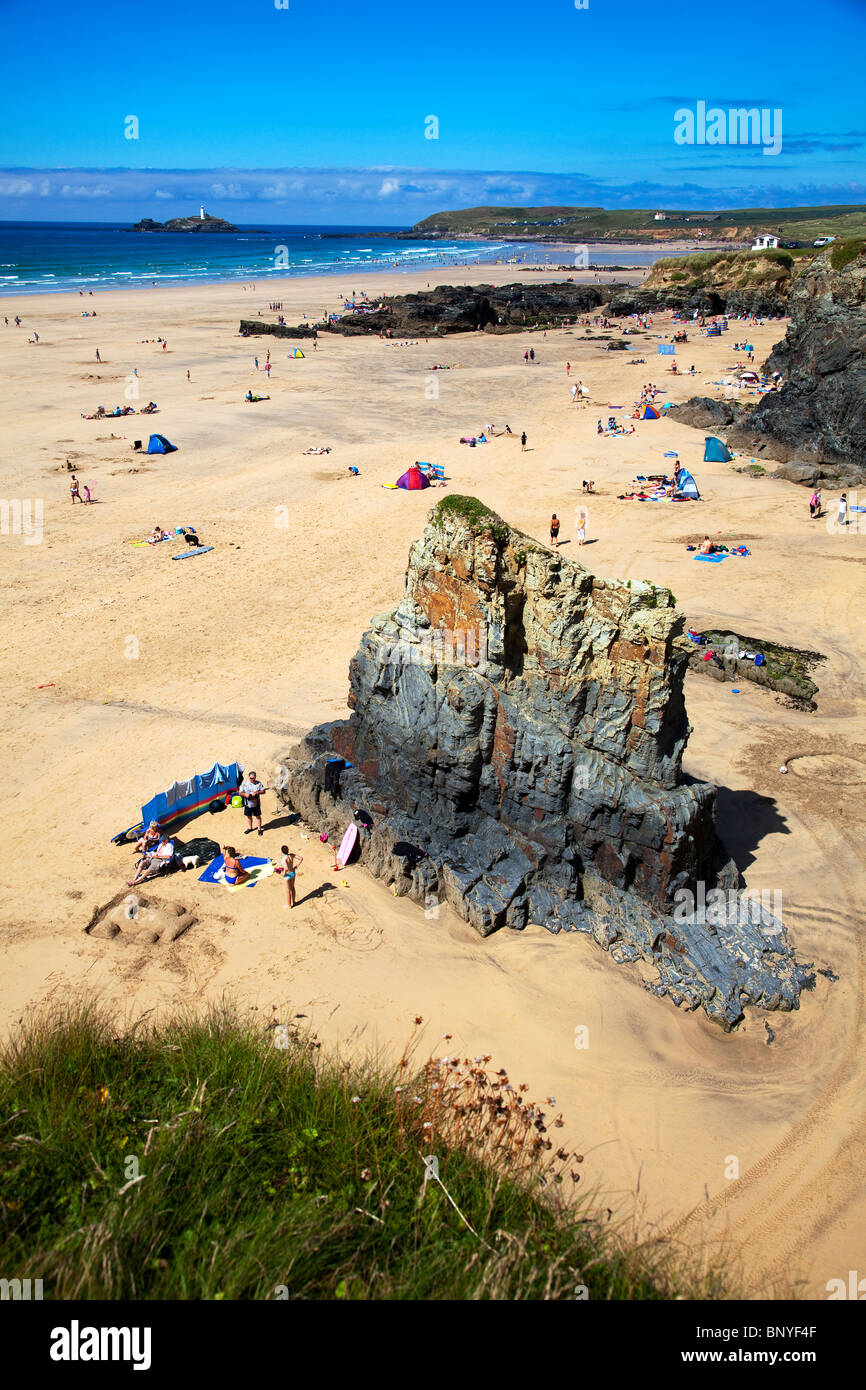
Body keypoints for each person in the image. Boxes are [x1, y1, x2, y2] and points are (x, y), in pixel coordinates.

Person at [239, 770, 266, 835]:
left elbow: (263, 791)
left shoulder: (258, 783)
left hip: (256, 804)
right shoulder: (244, 783)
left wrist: (257, 792)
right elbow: (240, 792)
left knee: (258, 816)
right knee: (249, 816)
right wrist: (245, 794)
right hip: (247, 804)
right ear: (249, 777)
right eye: (251, 778)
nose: (253, 780)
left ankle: (259, 829)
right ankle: (250, 828)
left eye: (254, 778)